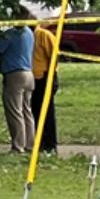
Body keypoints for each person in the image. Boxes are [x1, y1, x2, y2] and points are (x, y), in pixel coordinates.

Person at [0, 19, 35, 153]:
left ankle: (18, 146)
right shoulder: (29, 32)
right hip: (28, 73)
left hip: (14, 74)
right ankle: (30, 144)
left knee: (15, 111)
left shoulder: (10, 34)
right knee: (26, 111)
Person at [31, 22, 59, 154]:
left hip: (45, 76)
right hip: (33, 78)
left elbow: (54, 56)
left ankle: (50, 144)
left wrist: (51, 76)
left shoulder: (43, 35)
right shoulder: (28, 36)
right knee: (35, 111)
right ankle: (40, 141)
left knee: (47, 112)